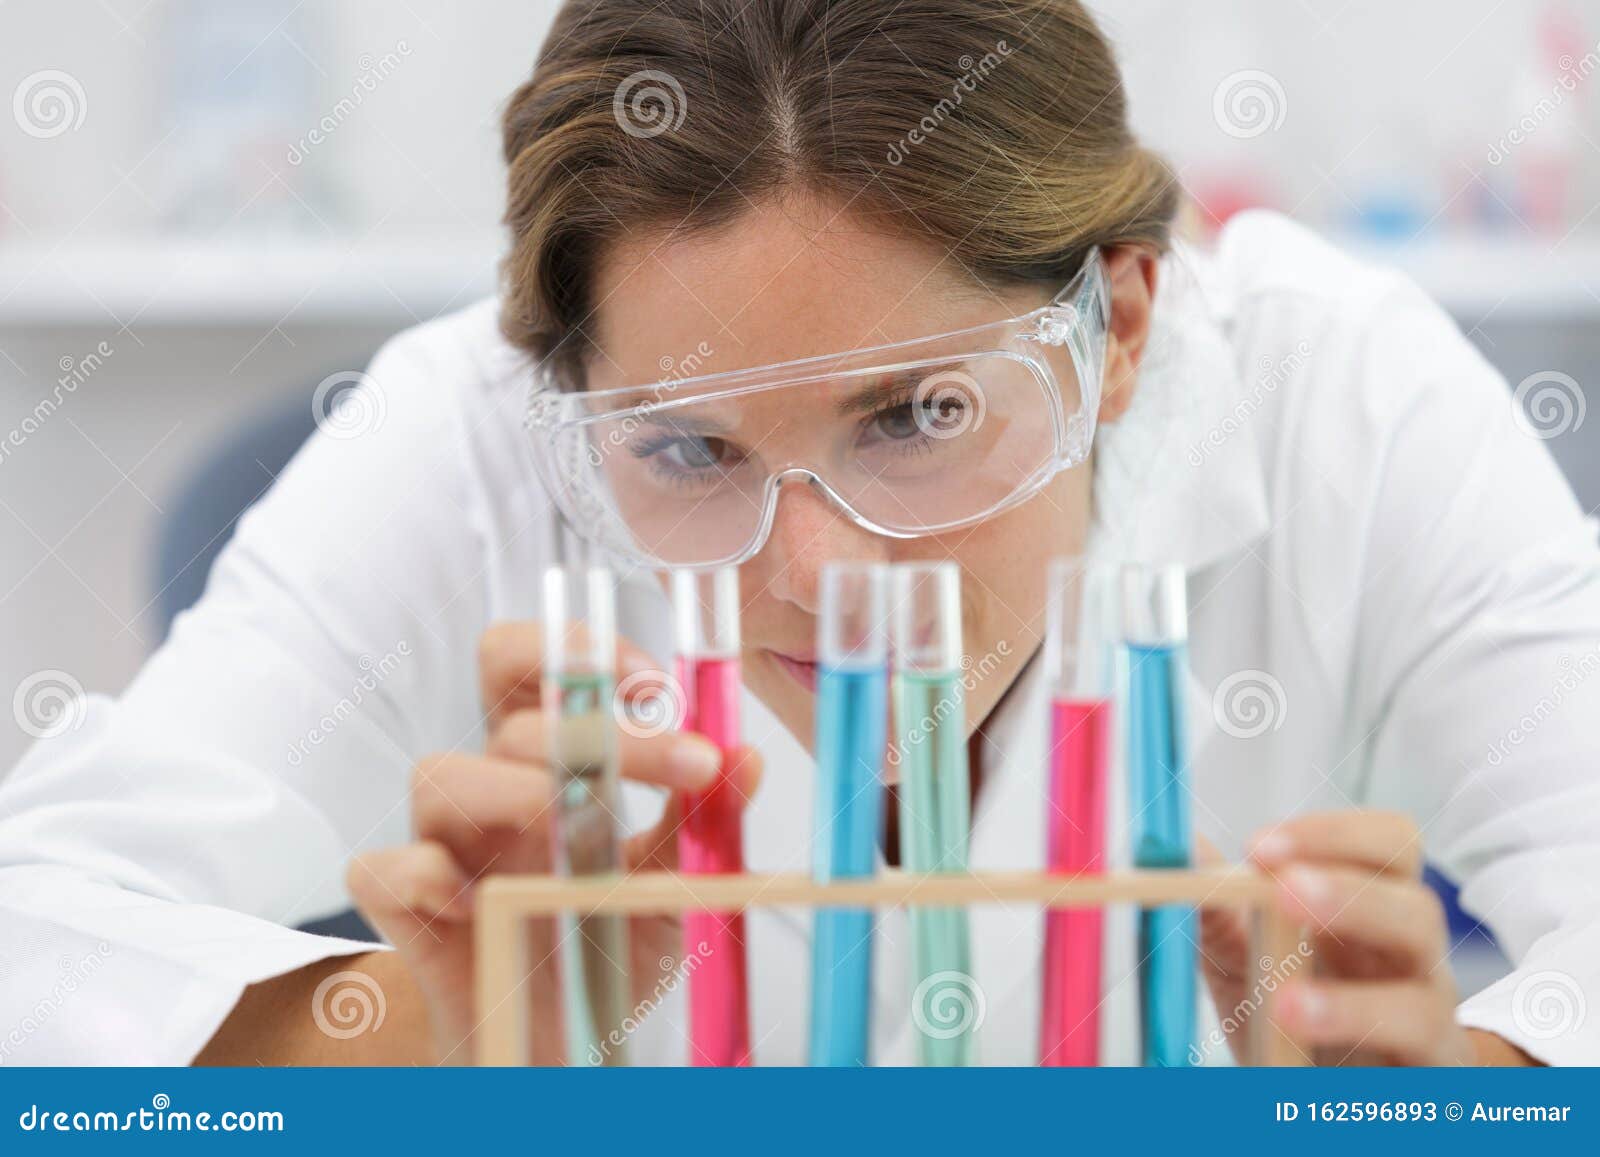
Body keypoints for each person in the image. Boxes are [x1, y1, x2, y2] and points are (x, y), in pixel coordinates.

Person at [3, 0, 1597, 1067]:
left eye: (916, 418)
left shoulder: (1349, 407)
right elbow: (39, 935)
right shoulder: (469, 428)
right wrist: (416, 1025)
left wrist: (1457, 1086)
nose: (821, 584)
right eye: (691, 449)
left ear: (1117, 325)